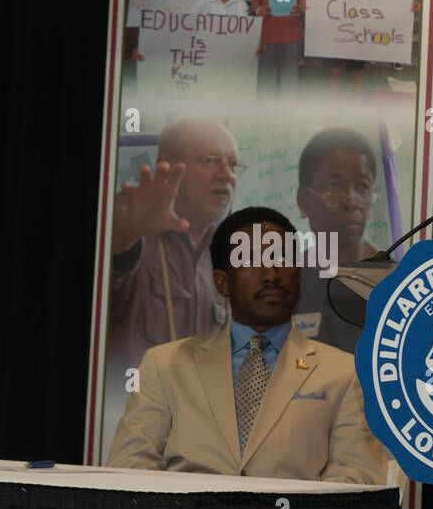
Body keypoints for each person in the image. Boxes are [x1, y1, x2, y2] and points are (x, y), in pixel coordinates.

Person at [108, 207, 386, 484]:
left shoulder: (345, 373)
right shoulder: (163, 366)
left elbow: (356, 478)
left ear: (299, 275)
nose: (272, 274)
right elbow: (131, 467)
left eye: (282, 259)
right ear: (222, 282)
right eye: (252, 259)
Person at [108, 120, 240, 377]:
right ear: (166, 165)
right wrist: (126, 234)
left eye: (233, 165)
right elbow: (108, 271)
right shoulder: (131, 232)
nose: (227, 175)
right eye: (210, 161)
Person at [294, 128, 383, 353]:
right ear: (304, 201)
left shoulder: (395, 281)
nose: (351, 201)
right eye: (335, 186)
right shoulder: (288, 280)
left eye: (362, 187)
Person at [251, 0, 307, 99]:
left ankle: (289, 118)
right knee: (266, 82)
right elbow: (254, 2)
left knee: (290, 81)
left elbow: (305, 2)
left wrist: (301, 8)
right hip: (268, 36)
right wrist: (258, 9)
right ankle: (265, 118)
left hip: (292, 35)